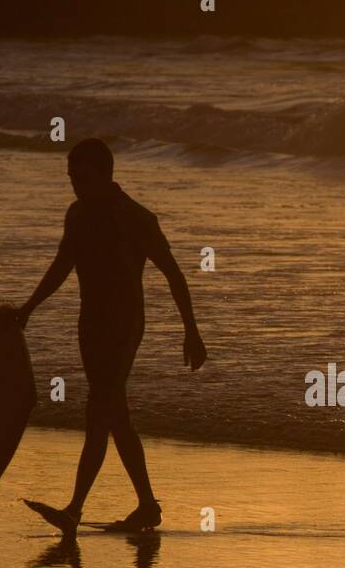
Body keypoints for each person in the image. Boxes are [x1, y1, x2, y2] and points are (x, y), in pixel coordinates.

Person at [18, 138, 206, 535]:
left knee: (99, 409)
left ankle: (75, 508)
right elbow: (61, 266)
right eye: (71, 177)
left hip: (124, 325)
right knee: (114, 415)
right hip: (89, 325)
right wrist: (28, 309)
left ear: (105, 175)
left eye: (82, 177)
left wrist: (191, 330)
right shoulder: (77, 215)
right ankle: (147, 507)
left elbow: (173, 273)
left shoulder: (136, 218)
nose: (75, 185)